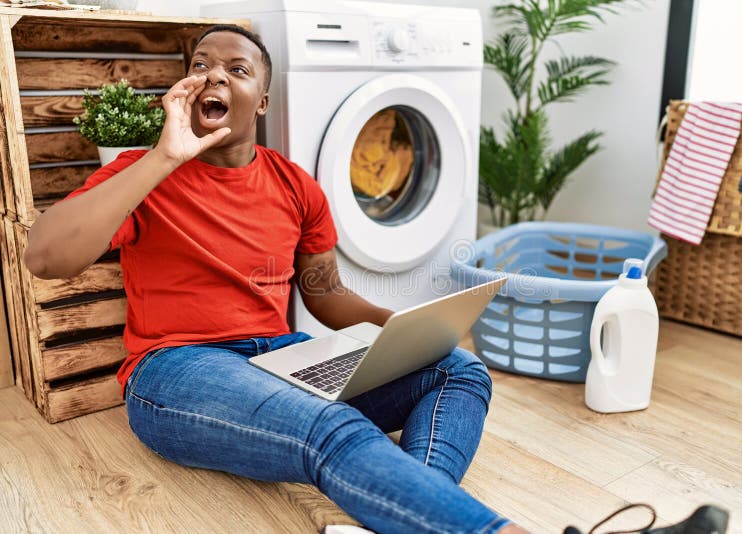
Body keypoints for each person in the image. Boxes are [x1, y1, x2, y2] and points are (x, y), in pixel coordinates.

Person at [23, 25, 528, 534]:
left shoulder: (295, 186)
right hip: (176, 370)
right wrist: (165, 156)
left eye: (237, 70)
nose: (213, 74)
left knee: (459, 368)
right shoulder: (142, 173)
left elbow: (324, 294)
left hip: (286, 358)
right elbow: (44, 257)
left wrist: (405, 330)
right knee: (330, 428)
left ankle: (410, 512)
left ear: (261, 102)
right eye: (200, 65)